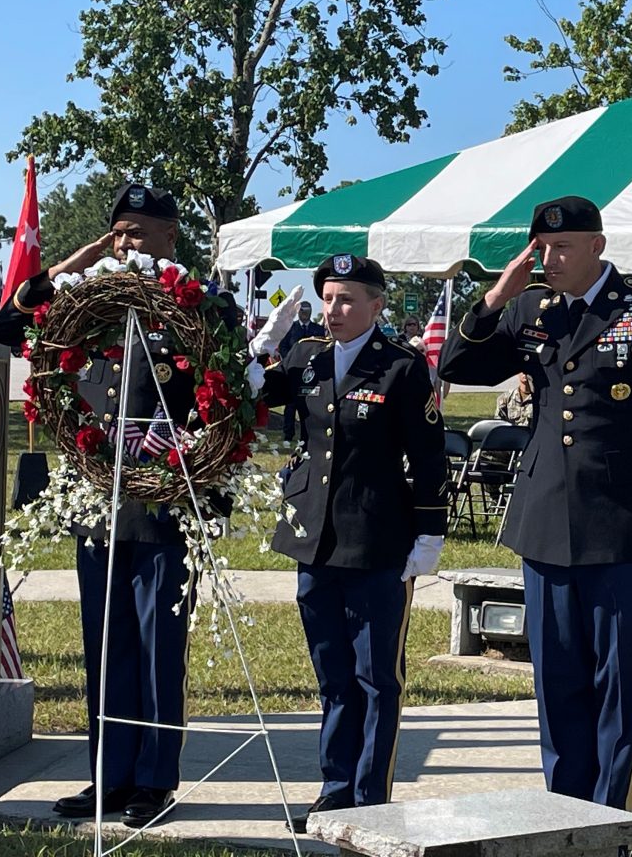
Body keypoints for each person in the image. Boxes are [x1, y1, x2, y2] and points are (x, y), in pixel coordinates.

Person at [438, 195, 632, 813]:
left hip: (624, 524)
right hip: (545, 521)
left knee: (618, 684)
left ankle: (610, 820)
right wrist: (495, 299)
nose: (550, 259)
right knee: (557, 682)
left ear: (598, 246)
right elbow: (458, 364)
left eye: (562, 248)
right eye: (541, 248)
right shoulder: (533, 308)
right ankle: (565, 814)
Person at [0, 183, 233, 828]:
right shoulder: (86, 304)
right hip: (99, 505)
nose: (128, 244)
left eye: (140, 233)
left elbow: (229, 388)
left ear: (171, 237)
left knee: (157, 649)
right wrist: (75, 263)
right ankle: (108, 778)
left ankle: (154, 781)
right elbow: (7, 326)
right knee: (105, 648)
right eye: (120, 232)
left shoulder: (201, 304)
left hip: (164, 509)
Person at [253, 254, 448, 831]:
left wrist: (429, 534)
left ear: (377, 305)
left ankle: (369, 795)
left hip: (375, 541)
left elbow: (430, 457)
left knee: (375, 676)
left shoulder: (402, 368)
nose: (334, 310)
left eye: (346, 300)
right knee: (332, 673)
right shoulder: (308, 357)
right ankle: (334, 787)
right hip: (312, 538)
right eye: (328, 299)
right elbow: (257, 398)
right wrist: (263, 345)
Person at [278, 299, 324, 443]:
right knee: (291, 404)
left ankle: (309, 435)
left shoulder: (318, 329)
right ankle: (288, 434)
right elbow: (283, 347)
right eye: (302, 311)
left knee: (311, 404)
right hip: (294, 371)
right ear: (298, 312)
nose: (305, 314)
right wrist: (289, 361)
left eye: (308, 311)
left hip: (312, 372)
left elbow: (323, 347)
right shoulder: (291, 328)